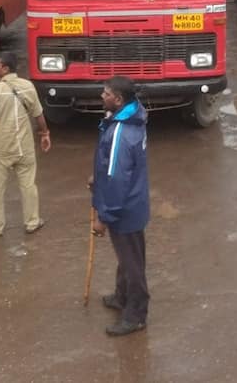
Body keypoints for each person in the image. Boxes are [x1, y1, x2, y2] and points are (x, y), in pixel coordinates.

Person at [91, 76, 150, 336]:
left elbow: (116, 178)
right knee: (128, 256)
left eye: (106, 94)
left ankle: (136, 315)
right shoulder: (131, 117)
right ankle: (121, 295)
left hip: (124, 209)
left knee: (131, 262)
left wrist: (103, 216)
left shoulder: (120, 133)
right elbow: (113, 167)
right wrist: (98, 176)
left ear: (118, 99)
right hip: (134, 202)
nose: (101, 96)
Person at [0, 51, 52, 237]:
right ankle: (32, 222)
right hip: (24, 147)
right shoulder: (27, 86)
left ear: (5, 69)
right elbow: (38, 114)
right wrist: (45, 133)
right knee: (28, 185)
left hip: (0, 149)